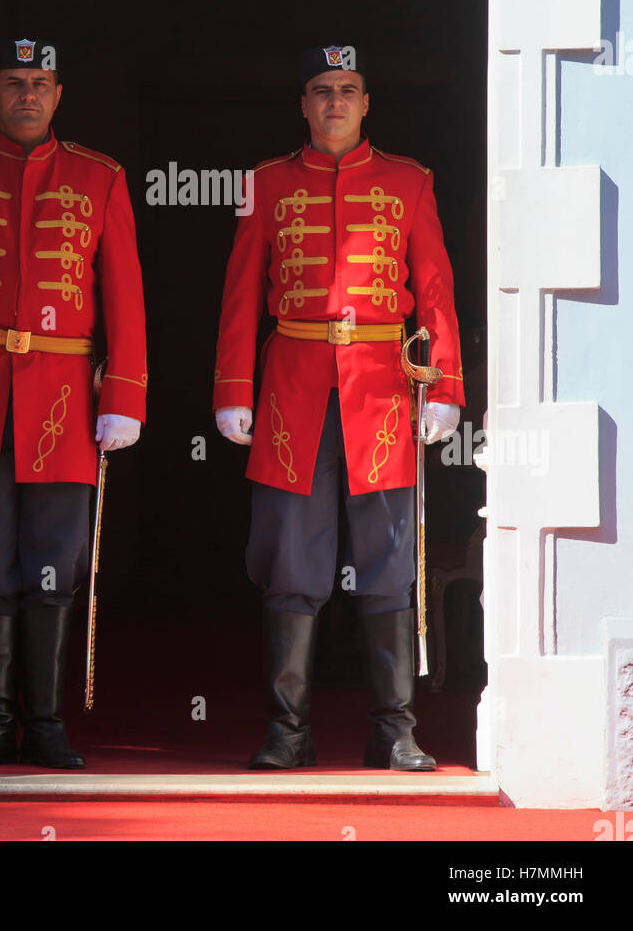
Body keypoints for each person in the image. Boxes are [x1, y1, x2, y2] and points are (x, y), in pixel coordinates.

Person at [213, 44, 464, 771]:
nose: (334, 102)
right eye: (321, 89)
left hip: (382, 384)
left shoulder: (409, 183)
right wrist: (233, 389)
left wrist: (443, 386)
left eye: (348, 89)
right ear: (303, 103)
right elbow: (237, 298)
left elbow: (437, 289)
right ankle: (287, 734)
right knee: (293, 562)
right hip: (292, 385)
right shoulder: (265, 183)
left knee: (386, 563)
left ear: (365, 102)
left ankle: (394, 731)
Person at [0, 38, 146, 769]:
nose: (27, 96)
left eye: (40, 83)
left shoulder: (99, 176)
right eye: (13, 83)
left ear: (59, 93)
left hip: (65, 401)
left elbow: (124, 298)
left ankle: (44, 725)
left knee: (53, 568)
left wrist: (125, 395)